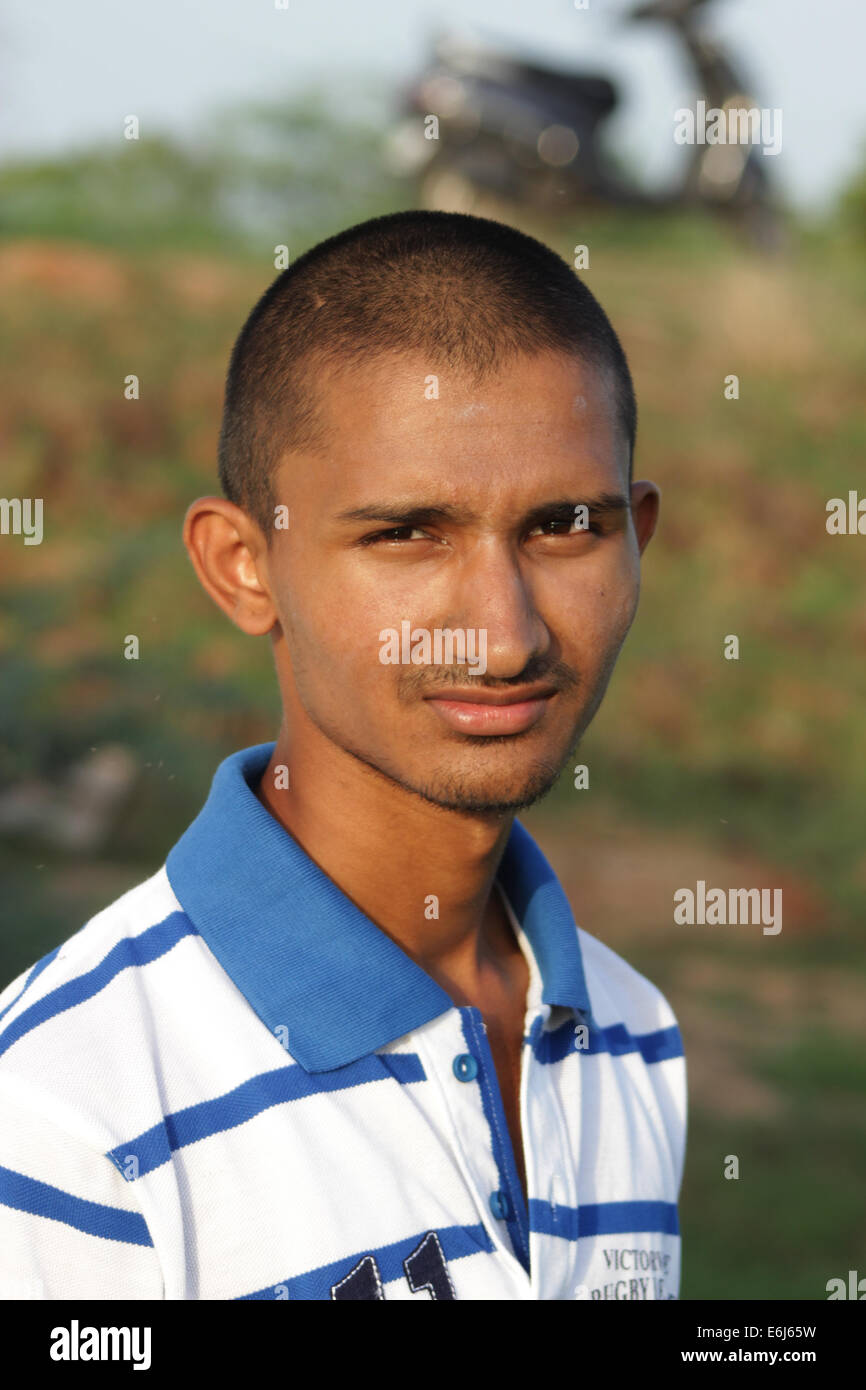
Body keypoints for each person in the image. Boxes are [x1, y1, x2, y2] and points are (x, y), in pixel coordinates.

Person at [0, 210, 686, 1301]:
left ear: (635, 540)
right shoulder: (63, 1119)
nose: (505, 635)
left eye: (563, 526)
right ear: (243, 568)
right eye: (406, 533)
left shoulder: (630, 1032)